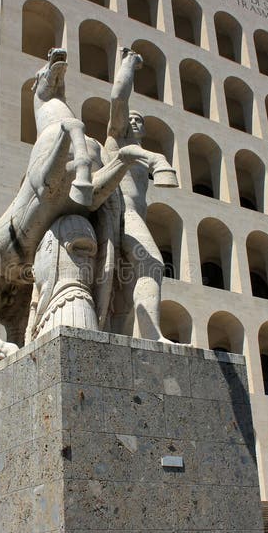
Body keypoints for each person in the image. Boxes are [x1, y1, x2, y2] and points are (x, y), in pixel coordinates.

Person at [106, 47, 178, 340]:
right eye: (130, 119)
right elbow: (118, 98)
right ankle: (151, 334)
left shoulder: (143, 153)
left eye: (139, 121)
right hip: (124, 214)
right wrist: (129, 65)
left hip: (136, 219)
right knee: (151, 264)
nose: (133, 122)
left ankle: (120, 342)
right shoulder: (117, 141)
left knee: (123, 290)